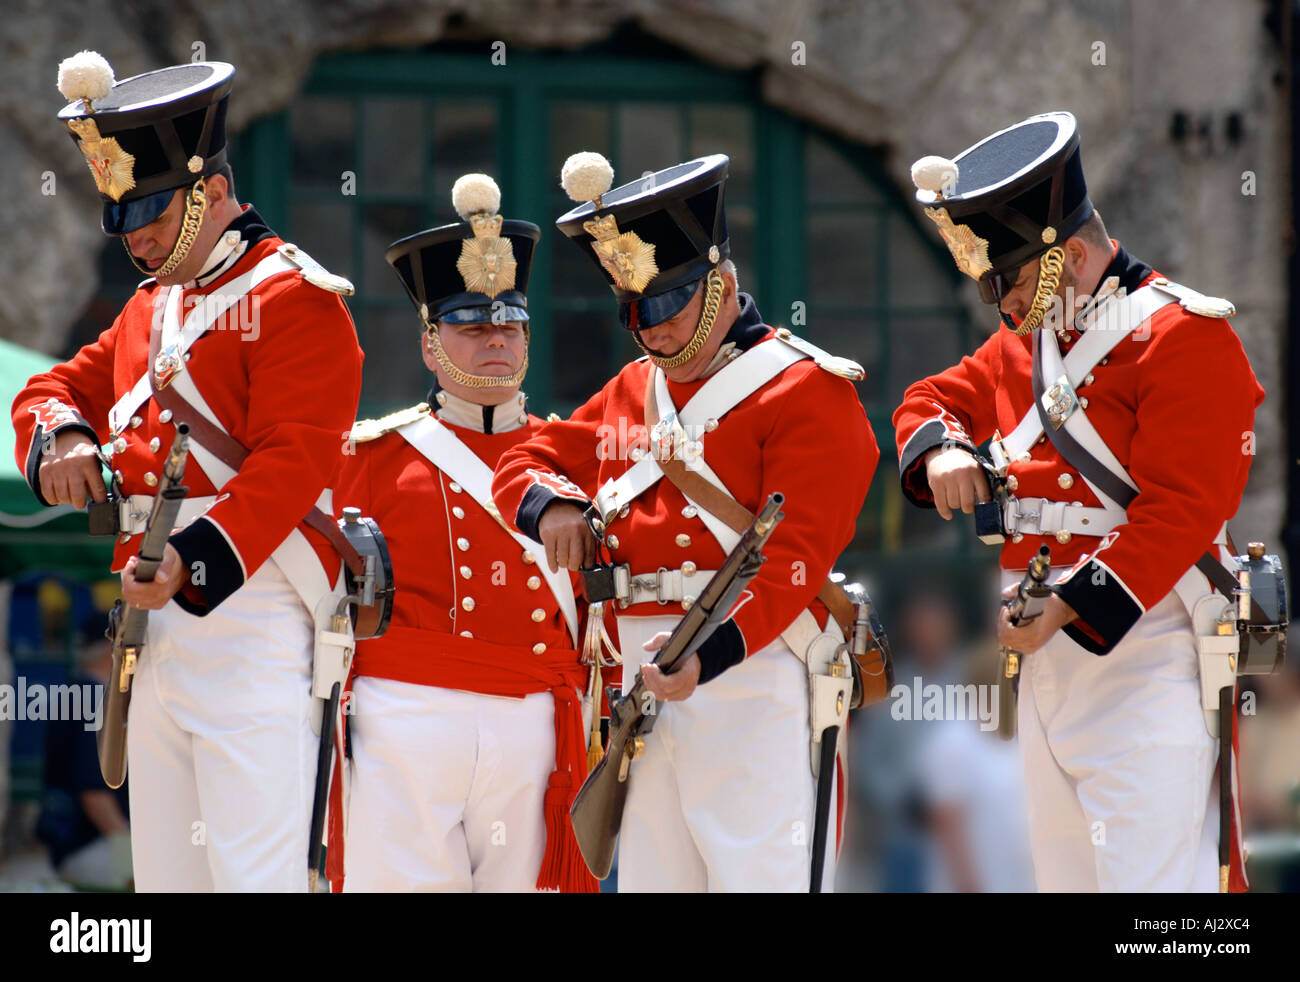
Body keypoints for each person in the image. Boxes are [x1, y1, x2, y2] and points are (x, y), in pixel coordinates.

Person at [11, 51, 363, 891]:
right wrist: (60, 436)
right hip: (151, 625)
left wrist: (194, 557)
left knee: (254, 876)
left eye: (150, 213)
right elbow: (50, 385)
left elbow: (294, 458)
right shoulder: (152, 304)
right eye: (122, 216)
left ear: (206, 190)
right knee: (171, 879)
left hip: (251, 611)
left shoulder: (297, 297)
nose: (134, 236)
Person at [893, 111, 1265, 891]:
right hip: (1043, 658)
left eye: (1014, 278)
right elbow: (930, 397)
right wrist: (944, 449)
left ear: (1069, 252)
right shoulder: (1032, 334)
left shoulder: (1184, 337)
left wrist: (1069, 605)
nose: (1003, 303)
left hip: (1147, 648)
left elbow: (1184, 510)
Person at [491, 152, 878, 891]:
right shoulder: (635, 390)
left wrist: (715, 651)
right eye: (635, 312)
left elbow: (797, 556)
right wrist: (556, 504)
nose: (654, 332)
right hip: (640, 681)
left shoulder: (806, 389)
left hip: (751, 668)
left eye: (666, 306)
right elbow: (529, 454)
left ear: (722, 286)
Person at [329, 174, 596, 893]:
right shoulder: (366, 456)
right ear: (429, 343)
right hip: (404, 716)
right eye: (473, 328)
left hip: (536, 721)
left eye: (510, 326)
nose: (496, 342)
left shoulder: (577, 455)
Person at [35, 620, 132, 891]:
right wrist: (128, 858)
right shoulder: (94, 698)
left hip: (72, 848)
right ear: (112, 647)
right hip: (92, 847)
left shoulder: (76, 692)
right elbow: (95, 795)